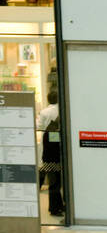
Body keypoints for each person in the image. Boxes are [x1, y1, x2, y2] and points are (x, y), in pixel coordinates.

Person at [37, 85, 64, 216]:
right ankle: (55, 207)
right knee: (57, 181)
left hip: (48, 151)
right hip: (58, 151)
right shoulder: (62, 110)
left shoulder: (44, 112)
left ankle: (55, 206)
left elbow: (39, 126)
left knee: (53, 180)